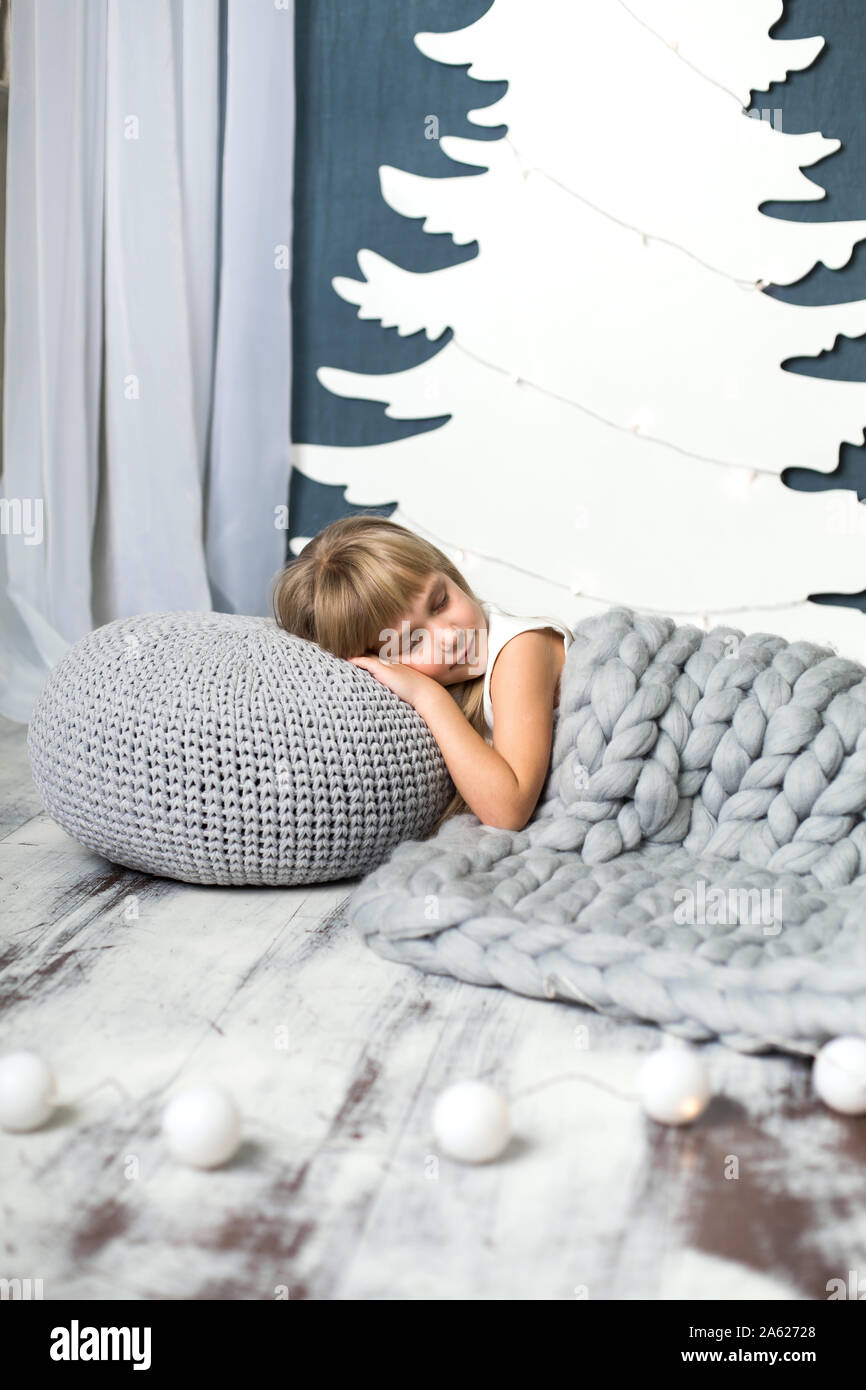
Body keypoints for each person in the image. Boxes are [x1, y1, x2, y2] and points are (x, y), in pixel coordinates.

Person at [271, 515, 573, 835]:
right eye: (413, 641)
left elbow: (508, 811)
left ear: (447, 571)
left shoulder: (519, 649)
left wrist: (428, 697)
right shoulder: (456, 678)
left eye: (441, 601)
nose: (449, 637)